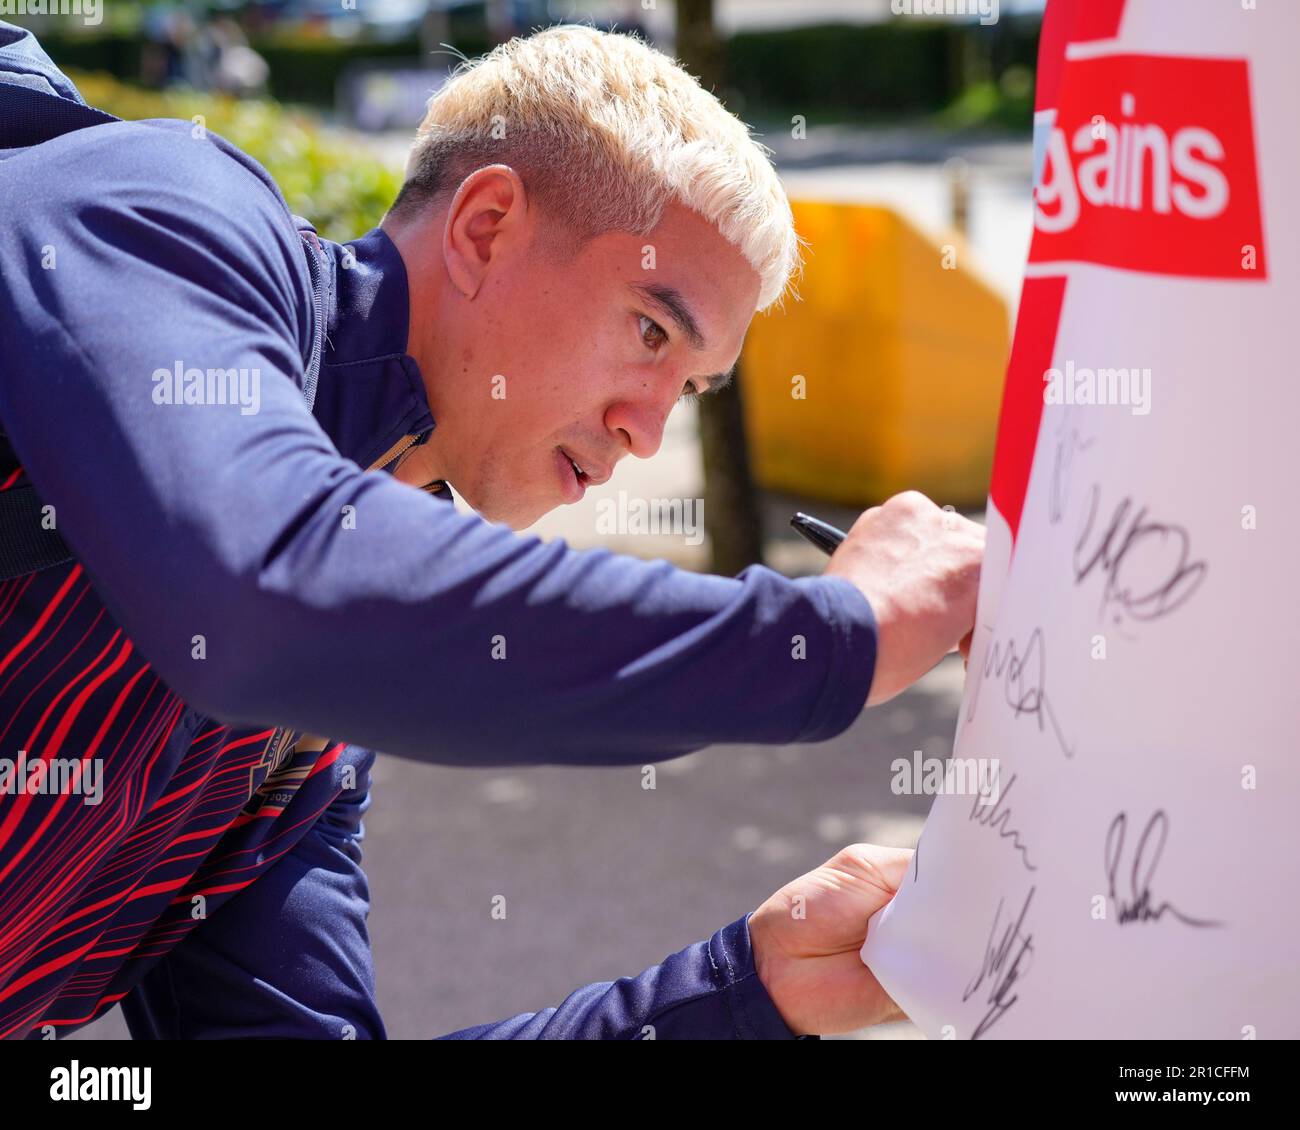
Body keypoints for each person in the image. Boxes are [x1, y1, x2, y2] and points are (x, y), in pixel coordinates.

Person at [0, 21, 983, 1039]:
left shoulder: (308, 733)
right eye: (650, 329)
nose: (646, 430)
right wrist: (831, 636)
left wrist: (746, 992)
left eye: (688, 387)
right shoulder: (161, 210)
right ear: (484, 227)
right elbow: (258, 590)